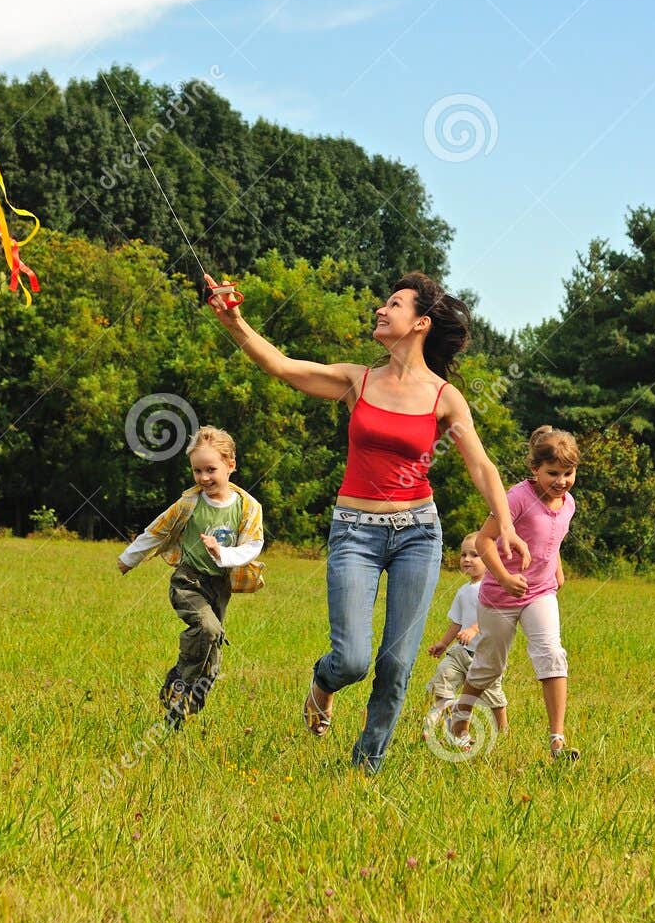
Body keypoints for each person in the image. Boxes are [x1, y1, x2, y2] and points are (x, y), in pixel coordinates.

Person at [203, 270, 531, 773]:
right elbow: (282, 366)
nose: (381, 308)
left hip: (418, 534)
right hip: (355, 531)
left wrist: (505, 523)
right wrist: (234, 322)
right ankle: (324, 681)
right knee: (353, 659)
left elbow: (481, 465)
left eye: (394, 303)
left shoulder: (444, 397)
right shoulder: (357, 380)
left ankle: (365, 767)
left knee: (397, 663)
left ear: (421, 322)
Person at [116, 425, 264, 729]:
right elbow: (156, 530)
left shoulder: (248, 507)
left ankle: (184, 705)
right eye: (197, 471)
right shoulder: (189, 503)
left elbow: (252, 545)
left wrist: (222, 553)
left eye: (211, 469)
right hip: (188, 581)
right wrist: (128, 559)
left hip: (219, 587)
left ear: (231, 465)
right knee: (208, 629)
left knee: (213, 650)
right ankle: (179, 679)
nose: (204, 477)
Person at [447, 425, 580, 761]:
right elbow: (484, 540)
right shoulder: (518, 497)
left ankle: (557, 740)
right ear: (535, 469)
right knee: (489, 667)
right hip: (500, 596)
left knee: (551, 653)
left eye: (568, 473)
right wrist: (504, 578)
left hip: (541, 592)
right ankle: (459, 721)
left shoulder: (568, 503)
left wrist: (557, 571)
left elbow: (552, 541)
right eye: (553, 473)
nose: (561, 481)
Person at [423, 533, 493, 739]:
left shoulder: (492, 587)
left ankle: (504, 731)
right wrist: (443, 643)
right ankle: (446, 721)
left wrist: (474, 629)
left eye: (475, 555)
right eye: (464, 555)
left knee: (493, 698)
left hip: (487, 656)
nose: (467, 559)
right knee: (444, 675)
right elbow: (457, 622)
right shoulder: (463, 591)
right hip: (462, 652)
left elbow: (492, 615)